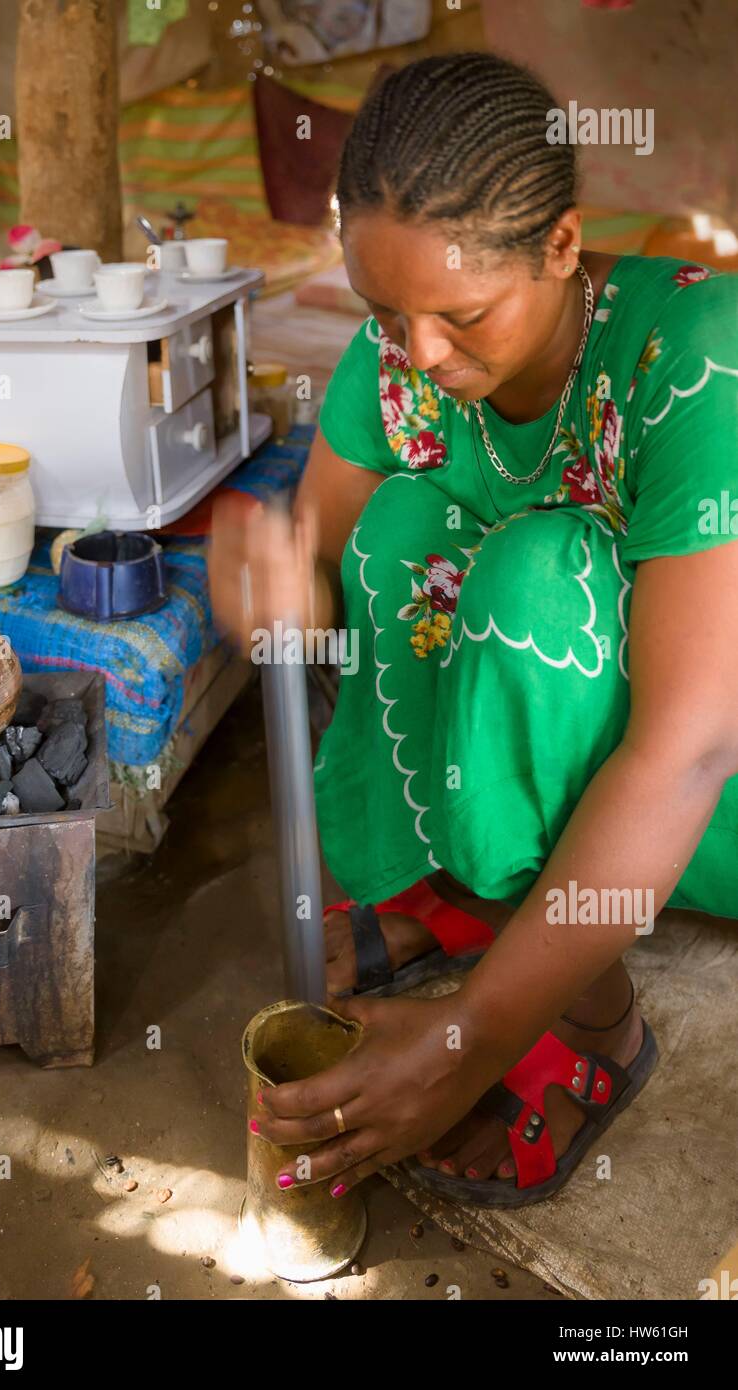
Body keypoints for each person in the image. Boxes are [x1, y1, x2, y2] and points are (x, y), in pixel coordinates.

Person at [208, 52, 738, 1206]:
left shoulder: (694, 361)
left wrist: (469, 1042)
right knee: (395, 529)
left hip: (708, 787)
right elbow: (317, 561)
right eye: (384, 312)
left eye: (459, 315)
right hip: (600, 759)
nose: (420, 355)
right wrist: (271, 588)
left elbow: (692, 741)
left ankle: (596, 1032)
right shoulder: (400, 359)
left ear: (559, 245)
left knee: (534, 572)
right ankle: (456, 892)